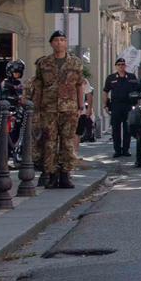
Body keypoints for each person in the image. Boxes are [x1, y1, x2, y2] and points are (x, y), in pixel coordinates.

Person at [29, 31, 86, 189]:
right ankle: (52, 174)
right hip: (49, 108)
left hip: (70, 108)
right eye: (56, 40)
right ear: (52, 43)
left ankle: (65, 174)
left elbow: (79, 85)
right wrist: (37, 107)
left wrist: (81, 106)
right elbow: (38, 86)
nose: (59, 43)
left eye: (62, 40)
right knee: (50, 142)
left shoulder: (76, 63)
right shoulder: (44, 63)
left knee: (67, 142)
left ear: (66, 43)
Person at [102, 58, 140, 158]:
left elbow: (137, 92)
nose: (121, 66)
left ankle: (126, 150)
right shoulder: (111, 78)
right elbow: (105, 91)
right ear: (116, 66)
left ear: (125, 66)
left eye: (123, 64)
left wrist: (137, 105)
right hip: (115, 106)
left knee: (127, 129)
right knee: (116, 129)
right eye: (119, 64)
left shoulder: (131, 77)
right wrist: (105, 105)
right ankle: (117, 150)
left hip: (128, 105)